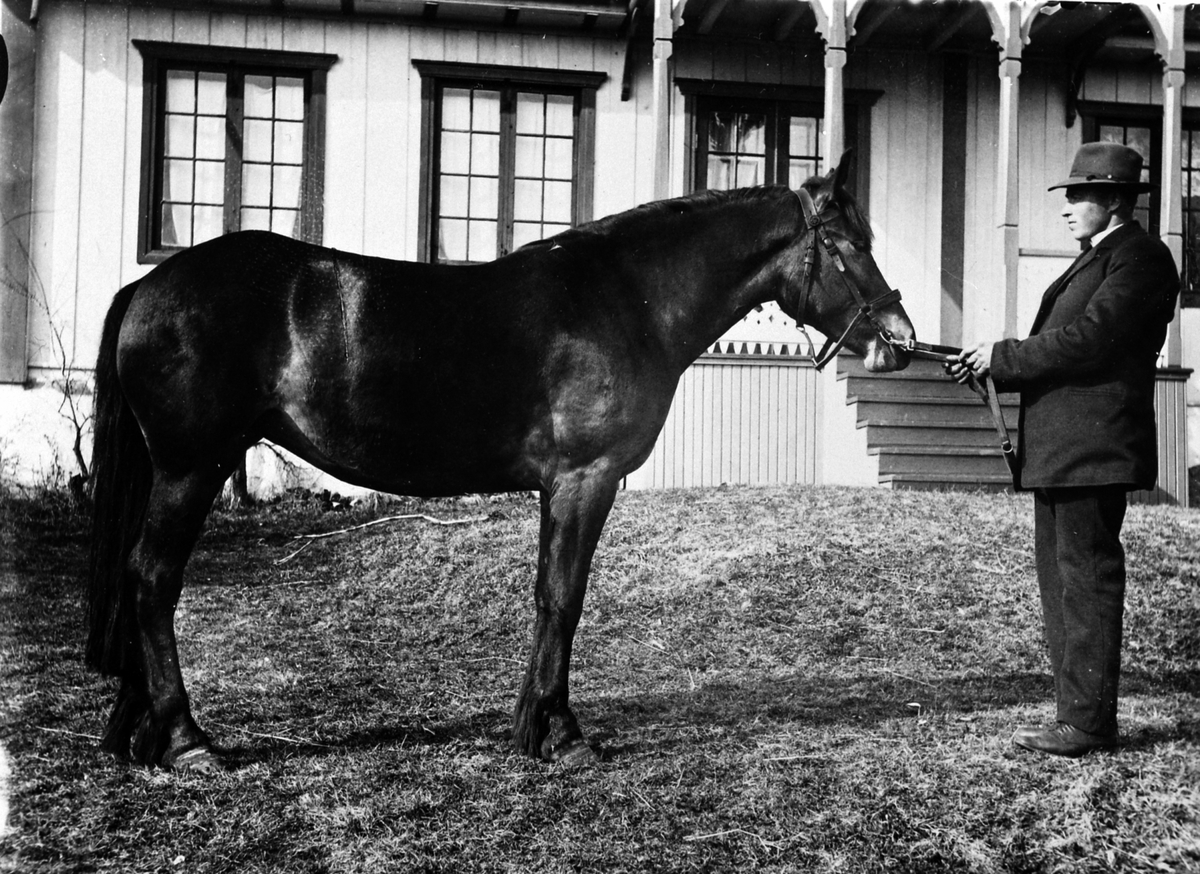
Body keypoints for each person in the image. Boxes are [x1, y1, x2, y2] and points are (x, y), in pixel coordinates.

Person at [948, 142, 1180, 757]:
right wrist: (994, 364)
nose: (1067, 206)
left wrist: (1005, 357)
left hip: (1093, 451)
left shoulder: (1141, 258)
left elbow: (1089, 340)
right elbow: (1067, 342)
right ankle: (1076, 716)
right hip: (1066, 451)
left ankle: (1088, 724)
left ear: (1114, 199)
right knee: (1065, 586)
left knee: (1086, 584)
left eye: (1078, 195)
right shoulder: (1100, 258)